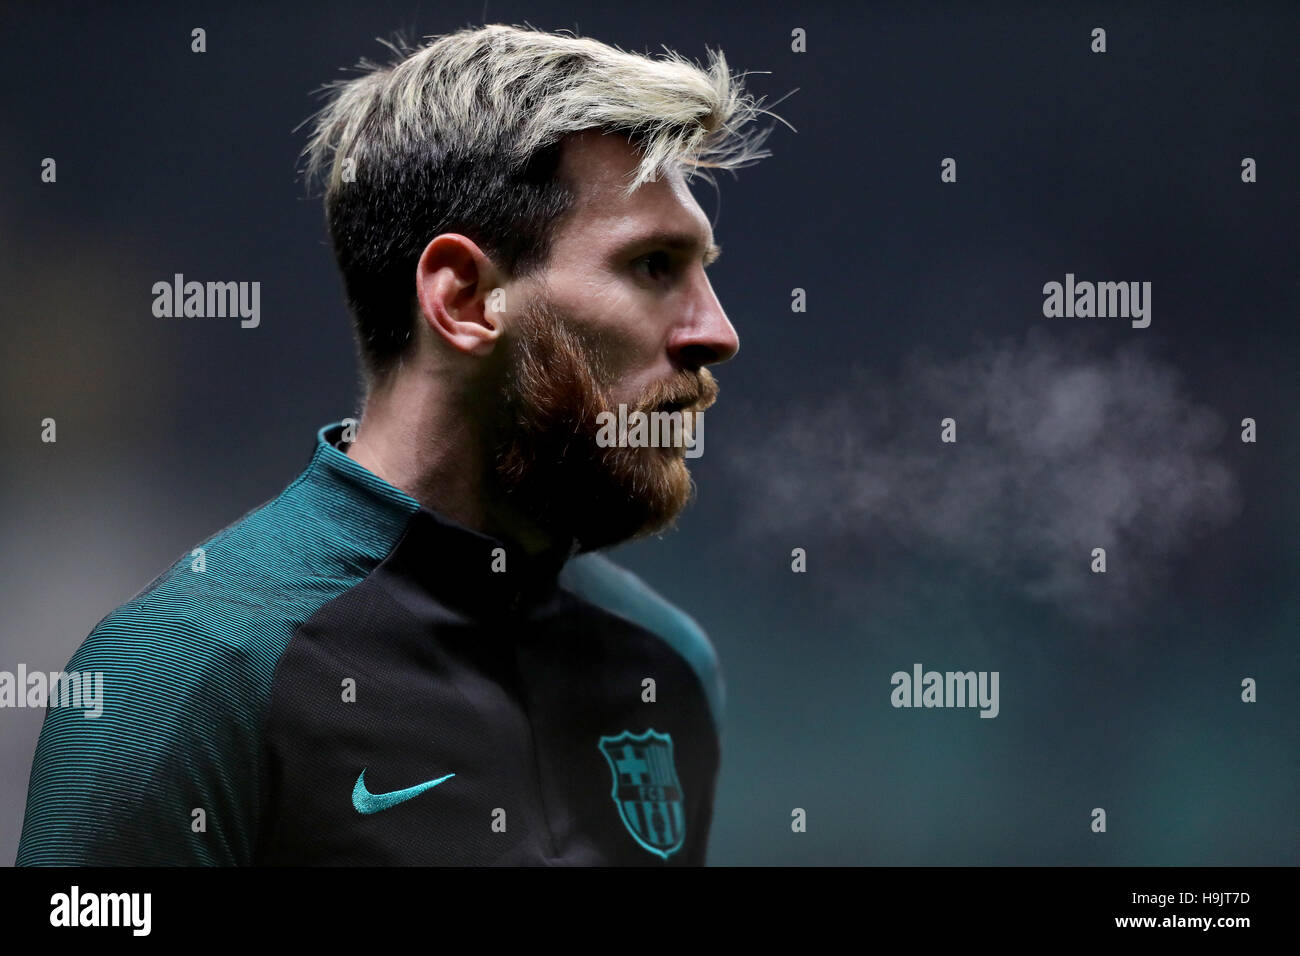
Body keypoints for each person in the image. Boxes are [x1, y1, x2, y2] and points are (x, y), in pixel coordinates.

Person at [17, 22, 774, 865]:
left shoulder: (667, 665)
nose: (718, 331)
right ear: (462, 298)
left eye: (703, 268)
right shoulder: (185, 672)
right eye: (654, 267)